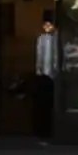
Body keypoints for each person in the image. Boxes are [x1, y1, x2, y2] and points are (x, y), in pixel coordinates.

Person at [33, 11, 57, 144]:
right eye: (45, 24)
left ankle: (51, 131)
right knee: (43, 105)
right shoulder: (41, 39)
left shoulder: (57, 38)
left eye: (50, 24)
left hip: (54, 76)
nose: (47, 27)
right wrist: (39, 72)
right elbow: (39, 57)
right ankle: (42, 132)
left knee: (52, 105)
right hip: (44, 76)